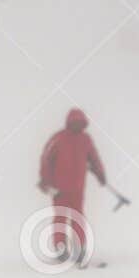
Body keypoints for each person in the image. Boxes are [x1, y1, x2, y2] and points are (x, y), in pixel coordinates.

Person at [38, 107, 107, 267]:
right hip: (59, 188)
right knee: (61, 218)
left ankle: (79, 248)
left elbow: (94, 158)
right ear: (69, 122)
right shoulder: (58, 138)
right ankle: (61, 248)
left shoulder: (86, 140)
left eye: (79, 123)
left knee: (78, 217)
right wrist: (45, 180)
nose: (77, 125)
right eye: (74, 122)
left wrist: (100, 174)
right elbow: (46, 159)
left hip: (77, 188)